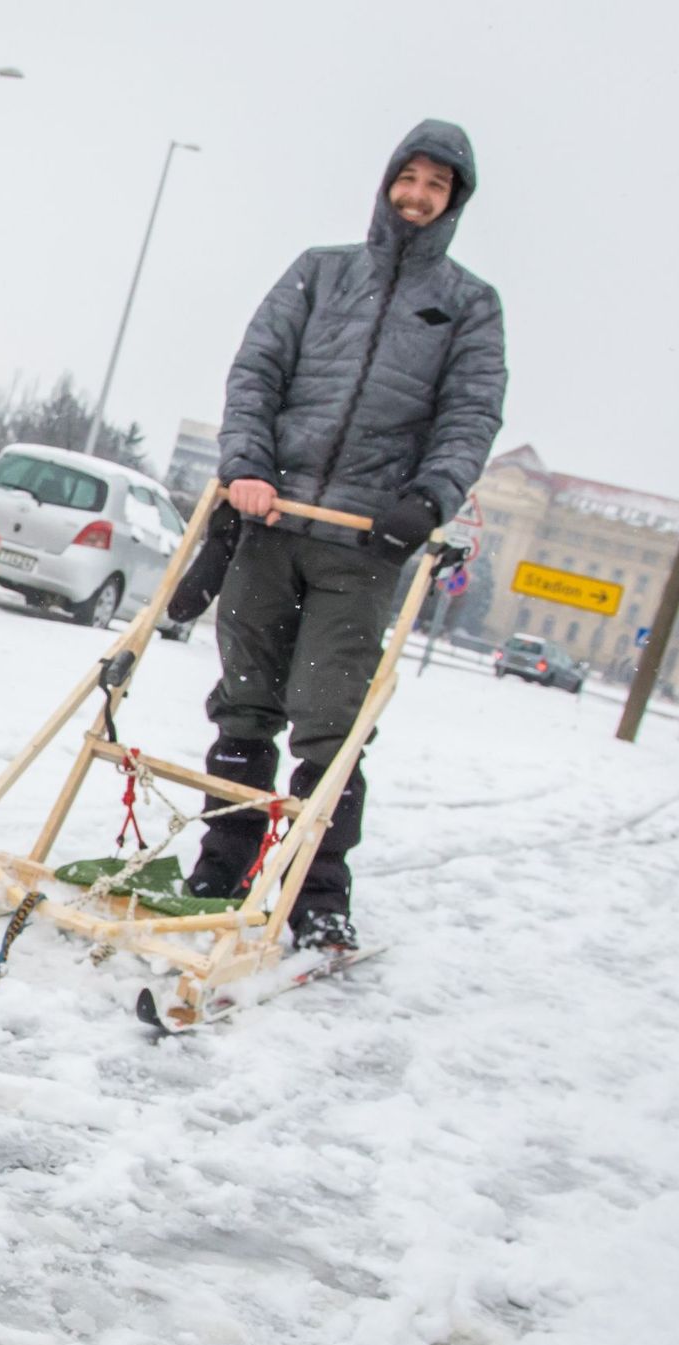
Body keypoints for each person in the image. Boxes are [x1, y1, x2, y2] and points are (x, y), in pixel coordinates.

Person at [178, 120, 508, 949]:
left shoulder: (469, 306)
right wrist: (247, 464)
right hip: (269, 521)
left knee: (333, 724)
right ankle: (222, 866)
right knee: (244, 708)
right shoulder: (318, 275)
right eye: (411, 177)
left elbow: (470, 416)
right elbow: (257, 371)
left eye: (437, 186)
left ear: (453, 203)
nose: (419, 195)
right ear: (388, 180)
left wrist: (428, 498)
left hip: (363, 547)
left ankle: (317, 893)